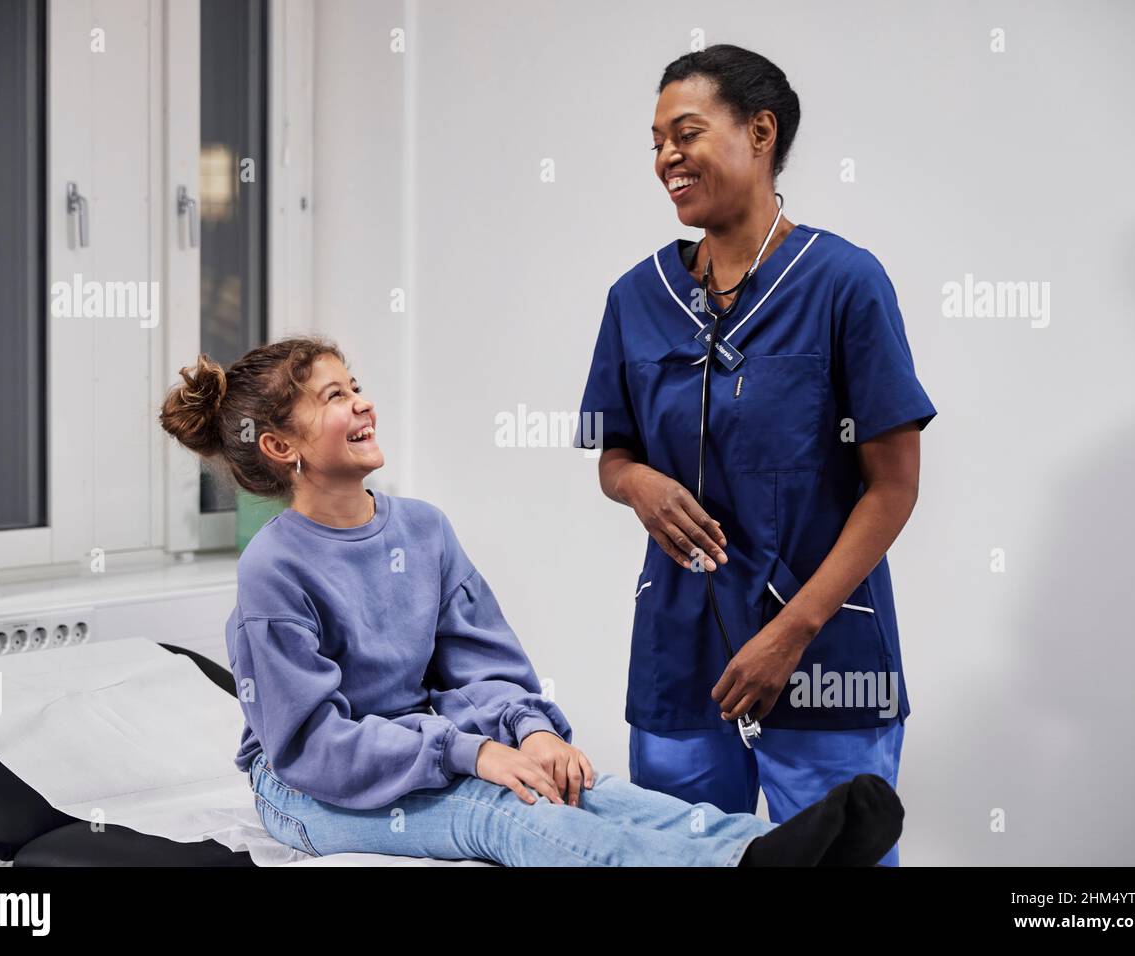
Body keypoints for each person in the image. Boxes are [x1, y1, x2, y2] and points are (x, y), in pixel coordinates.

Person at [159, 335, 905, 866]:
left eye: (355, 386)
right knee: (506, 816)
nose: (363, 404)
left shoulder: (422, 529)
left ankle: (756, 847)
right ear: (282, 447)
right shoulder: (274, 567)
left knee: (584, 788)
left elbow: (483, 665)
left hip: (415, 744)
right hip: (305, 787)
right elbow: (311, 744)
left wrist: (529, 730)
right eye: (334, 397)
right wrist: (472, 752)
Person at [574, 45, 937, 866]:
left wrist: (791, 632)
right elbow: (613, 453)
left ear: (761, 131)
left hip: (825, 652)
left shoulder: (845, 282)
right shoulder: (636, 298)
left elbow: (895, 484)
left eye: (687, 132)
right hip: (681, 656)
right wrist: (636, 484)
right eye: (657, 139)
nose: (667, 155)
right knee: (678, 858)